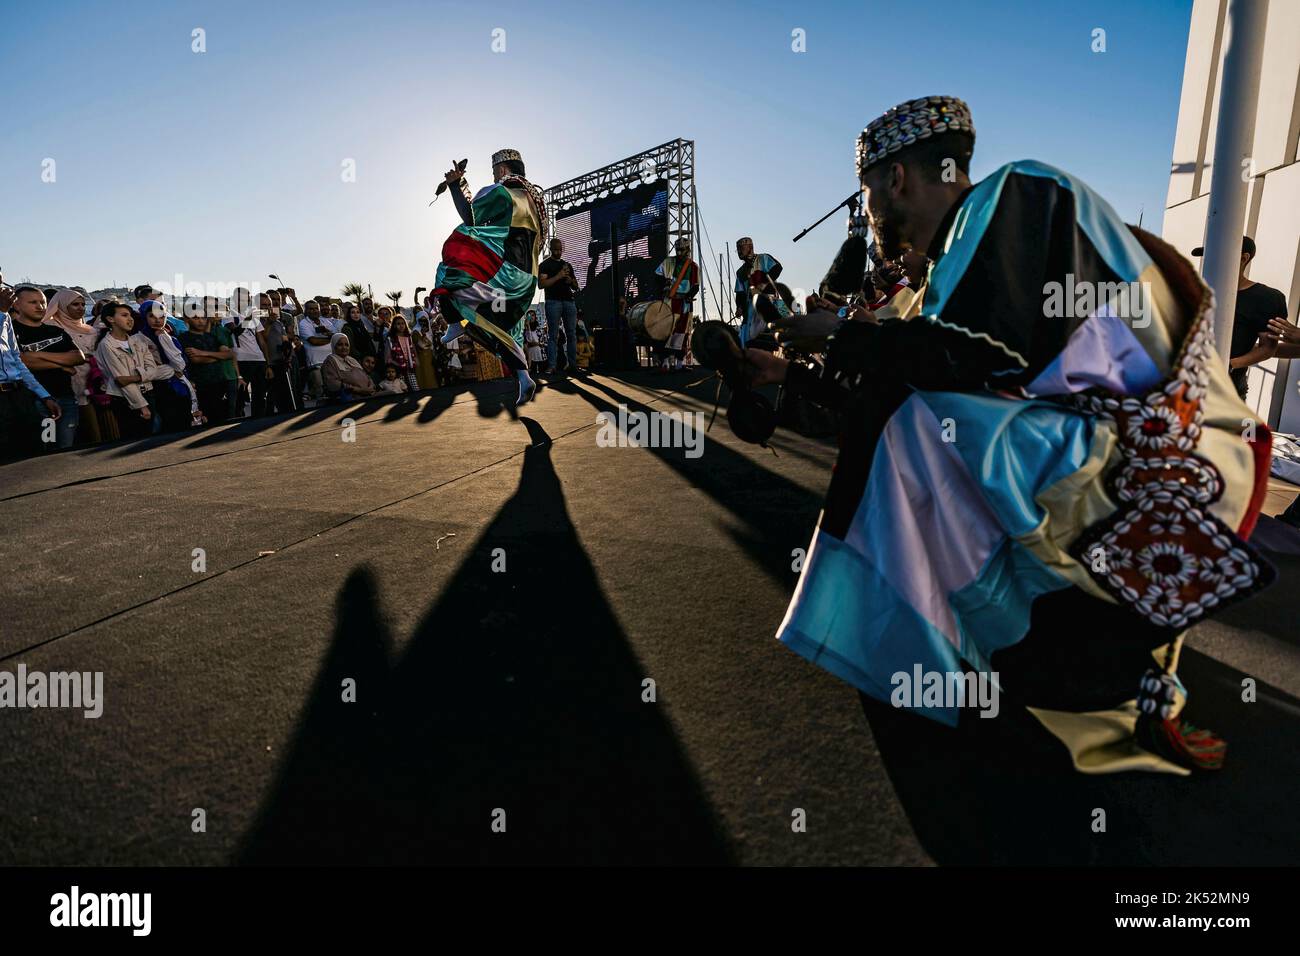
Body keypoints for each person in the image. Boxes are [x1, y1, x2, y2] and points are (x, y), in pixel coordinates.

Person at [742, 94, 1273, 774]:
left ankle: (962, 650)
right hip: (1116, 452)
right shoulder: (965, 249)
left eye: (869, 190)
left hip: (1142, 456)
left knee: (914, 421)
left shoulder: (1015, 193)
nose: (868, 211)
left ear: (896, 179)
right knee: (911, 414)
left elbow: (963, 361)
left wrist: (843, 335)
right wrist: (788, 376)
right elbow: (931, 363)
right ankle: (1011, 658)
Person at [433, 147, 546, 404]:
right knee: (498, 327)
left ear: (503, 170)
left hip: (505, 277)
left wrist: (454, 185)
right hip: (526, 283)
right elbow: (490, 217)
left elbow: (471, 216)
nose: (494, 177)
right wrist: (461, 182)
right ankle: (523, 376)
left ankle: (453, 321)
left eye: (495, 172)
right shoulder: (532, 200)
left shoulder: (503, 191)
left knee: (451, 267)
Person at [1189, 237, 1289, 401]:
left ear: (1243, 258)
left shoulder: (1267, 298)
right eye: (1208, 255)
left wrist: (1228, 364)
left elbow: (1267, 348)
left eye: (1218, 255)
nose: (1211, 261)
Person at [10, 286, 84, 450]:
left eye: (43, 302)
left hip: (66, 398)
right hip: (35, 401)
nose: (40, 306)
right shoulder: (11, 332)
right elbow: (22, 363)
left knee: (66, 448)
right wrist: (63, 364)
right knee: (46, 451)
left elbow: (79, 357)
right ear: (16, 305)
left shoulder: (55, 330)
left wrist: (37, 356)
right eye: (33, 302)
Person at [1, 293, 62, 461]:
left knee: (34, 450)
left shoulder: (4, 317)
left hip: (18, 394)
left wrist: (44, 395)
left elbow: (16, 360)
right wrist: (2, 312)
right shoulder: (3, 314)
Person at [94, 301, 167, 439]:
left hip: (148, 391)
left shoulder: (138, 341)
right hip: (125, 399)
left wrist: (136, 377)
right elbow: (121, 381)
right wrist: (141, 405)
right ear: (111, 319)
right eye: (124, 315)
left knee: (152, 435)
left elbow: (153, 370)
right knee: (134, 437)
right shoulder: (107, 345)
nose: (130, 319)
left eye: (131, 315)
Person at [137, 300, 203, 430]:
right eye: (152, 316)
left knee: (183, 423)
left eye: (161, 316)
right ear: (144, 317)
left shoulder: (170, 338)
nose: (157, 320)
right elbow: (144, 369)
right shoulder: (137, 340)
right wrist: (170, 370)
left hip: (178, 388)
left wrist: (164, 338)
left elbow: (180, 365)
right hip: (154, 390)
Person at [180, 310, 238, 425]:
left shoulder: (211, 336)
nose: (201, 321)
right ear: (187, 319)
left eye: (203, 318)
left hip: (219, 382)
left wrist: (202, 352)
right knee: (206, 421)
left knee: (222, 420)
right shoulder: (184, 338)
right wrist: (219, 357)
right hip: (201, 385)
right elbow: (196, 359)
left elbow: (230, 354)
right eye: (196, 318)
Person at [655, 236, 700, 371]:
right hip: (669, 302)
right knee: (667, 331)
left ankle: (680, 363)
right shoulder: (668, 262)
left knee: (683, 332)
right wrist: (664, 285)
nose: (679, 253)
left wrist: (689, 296)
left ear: (688, 250)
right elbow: (657, 277)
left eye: (682, 250)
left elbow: (696, 286)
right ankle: (665, 362)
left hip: (685, 304)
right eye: (678, 250)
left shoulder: (693, 266)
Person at [538, 237, 579, 376]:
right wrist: (558, 276)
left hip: (569, 301)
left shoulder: (567, 265)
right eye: (556, 250)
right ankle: (552, 366)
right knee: (553, 336)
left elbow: (576, 287)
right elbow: (541, 284)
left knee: (571, 334)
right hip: (553, 301)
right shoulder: (545, 265)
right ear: (551, 249)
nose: (559, 252)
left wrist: (570, 281)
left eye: (560, 249)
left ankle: (573, 365)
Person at [733, 237, 783, 346]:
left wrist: (764, 283)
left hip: (767, 301)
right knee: (745, 336)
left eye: (741, 248)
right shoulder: (740, 272)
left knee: (761, 333)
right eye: (738, 249)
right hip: (749, 307)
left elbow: (778, 268)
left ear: (750, 247)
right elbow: (740, 293)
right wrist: (739, 307)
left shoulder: (763, 258)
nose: (739, 251)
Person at [297, 299, 343, 402]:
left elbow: (337, 336)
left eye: (316, 308)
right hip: (316, 364)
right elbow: (313, 341)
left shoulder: (325, 321)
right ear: (306, 311)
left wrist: (328, 333)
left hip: (331, 362)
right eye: (311, 309)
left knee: (335, 392)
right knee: (321, 394)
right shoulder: (304, 323)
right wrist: (331, 338)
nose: (314, 311)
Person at [321, 333, 377, 400]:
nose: (344, 347)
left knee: (390, 393)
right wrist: (357, 390)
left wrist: (370, 387)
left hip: (368, 394)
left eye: (346, 345)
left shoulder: (352, 360)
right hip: (351, 398)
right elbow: (332, 384)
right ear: (334, 346)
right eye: (340, 345)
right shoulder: (330, 361)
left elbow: (367, 376)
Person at [385, 314, 420, 392]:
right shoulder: (391, 339)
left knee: (415, 387)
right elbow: (388, 356)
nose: (401, 326)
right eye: (398, 324)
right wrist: (396, 364)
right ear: (394, 326)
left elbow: (413, 350)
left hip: (410, 366)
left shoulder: (408, 337)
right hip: (398, 367)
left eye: (402, 323)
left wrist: (416, 359)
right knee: (402, 388)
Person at [413, 311, 439, 390]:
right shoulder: (416, 331)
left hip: (430, 355)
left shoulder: (429, 330)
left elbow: (432, 344)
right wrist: (423, 334)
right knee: (424, 373)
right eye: (421, 320)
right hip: (421, 356)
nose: (423, 322)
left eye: (425, 320)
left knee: (431, 373)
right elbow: (422, 345)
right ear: (417, 320)